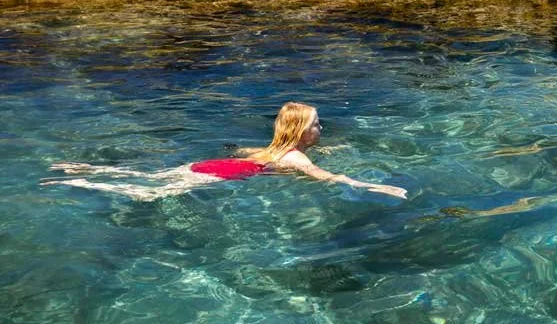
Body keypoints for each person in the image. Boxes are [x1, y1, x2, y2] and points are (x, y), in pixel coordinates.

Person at [44, 102, 407, 201]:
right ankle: (80, 182)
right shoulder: (296, 158)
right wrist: (376, 187)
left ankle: (82, 167)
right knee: (147, 194)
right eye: (316, 125)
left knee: (148, 176)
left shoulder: (271, 148)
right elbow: (331, 179)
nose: (321, 129)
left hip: (212, 164)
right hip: (221, 174)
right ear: (301, 131)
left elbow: (243, 150)